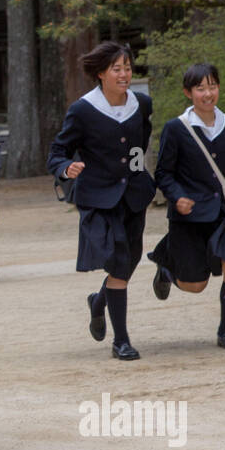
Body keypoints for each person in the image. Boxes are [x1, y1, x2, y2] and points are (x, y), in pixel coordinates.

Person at [148, 63, 225, 349]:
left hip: (223, 210)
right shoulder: (176, 129)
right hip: (188, 215)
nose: (208, 93)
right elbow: (163, 173)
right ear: (188, 92)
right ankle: (165, 265)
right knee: (196, 285)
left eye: (213, 86)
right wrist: (176, 196)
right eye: (200, 88)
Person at [47, 43, 157, 360]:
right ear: (101, 73)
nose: (124, 74)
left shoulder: (143, 104)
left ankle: (99, 301)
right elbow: (57, 153)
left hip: (134, 195)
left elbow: (141, 142)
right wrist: (65, 168)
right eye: (117, 69)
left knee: (131, 259)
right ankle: (121, 341)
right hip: (98, 197)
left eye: (127, 67)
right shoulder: (82, 109)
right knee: (119, 260)